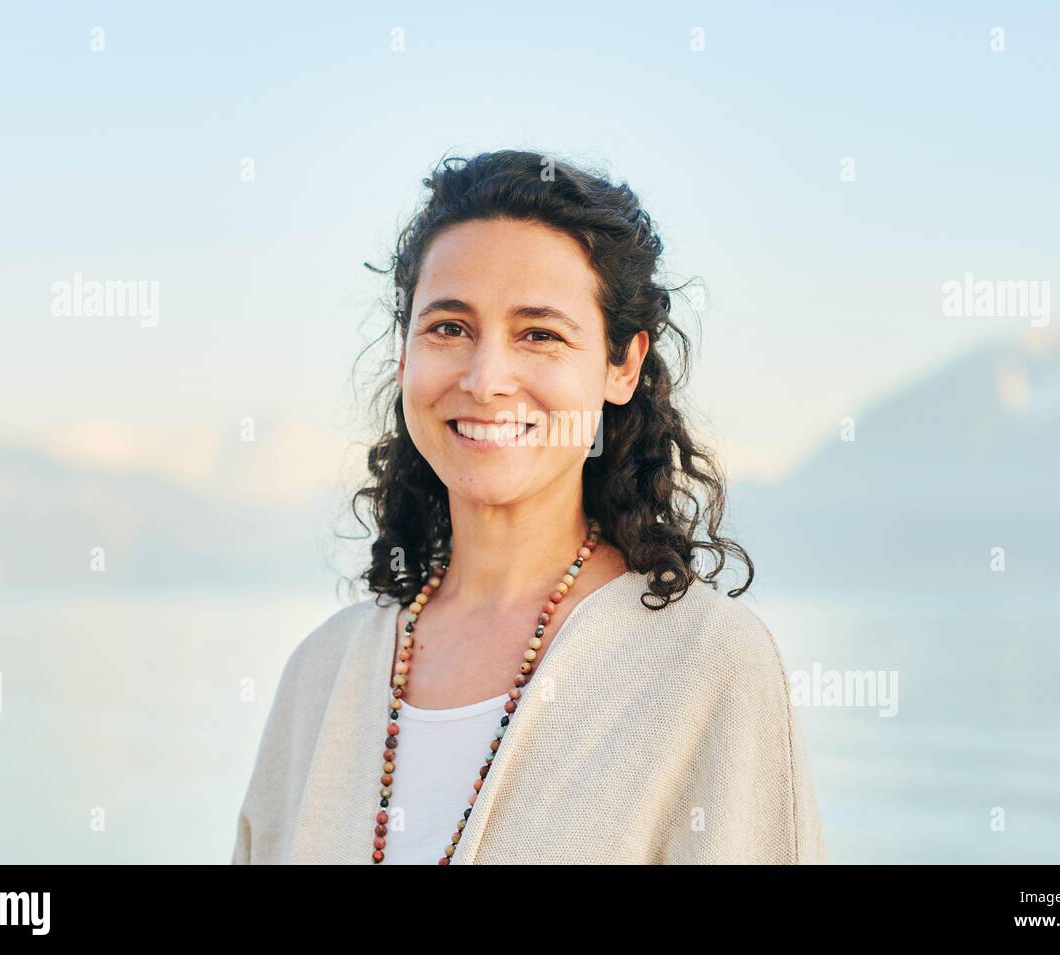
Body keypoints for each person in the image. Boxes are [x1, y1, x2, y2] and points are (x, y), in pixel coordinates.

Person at [231, 149, 826, 864]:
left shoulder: (707, 664)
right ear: (404, 355)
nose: (486, 379)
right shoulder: (322, 675)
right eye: (449, 327)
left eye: (539, 334)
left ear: (622, 364)